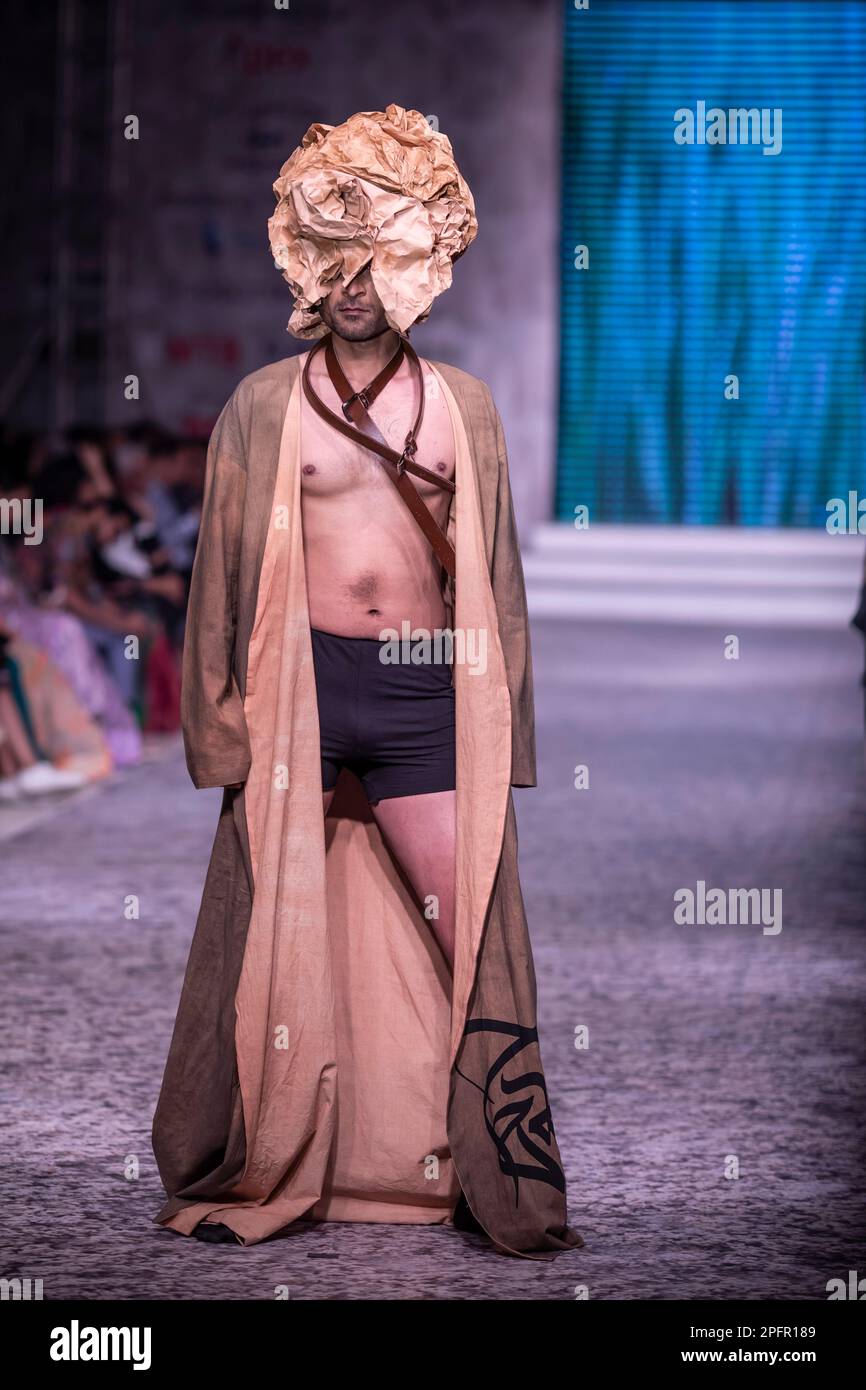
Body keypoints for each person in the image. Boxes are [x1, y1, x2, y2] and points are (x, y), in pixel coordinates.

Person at [152, 105, 583, 1259]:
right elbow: (222, 579)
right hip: (297, 685)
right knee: (262, 938)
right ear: (309, 272)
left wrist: (513, 735)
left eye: (375, 262)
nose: (354, 286)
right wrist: (221, 729)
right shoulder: (259, 405)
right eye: (334, 263)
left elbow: (493, 578)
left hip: (415, 692)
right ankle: (252, 1150)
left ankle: (497, 1177)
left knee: (468, 927)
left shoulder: (461, 407)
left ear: (417, 270)